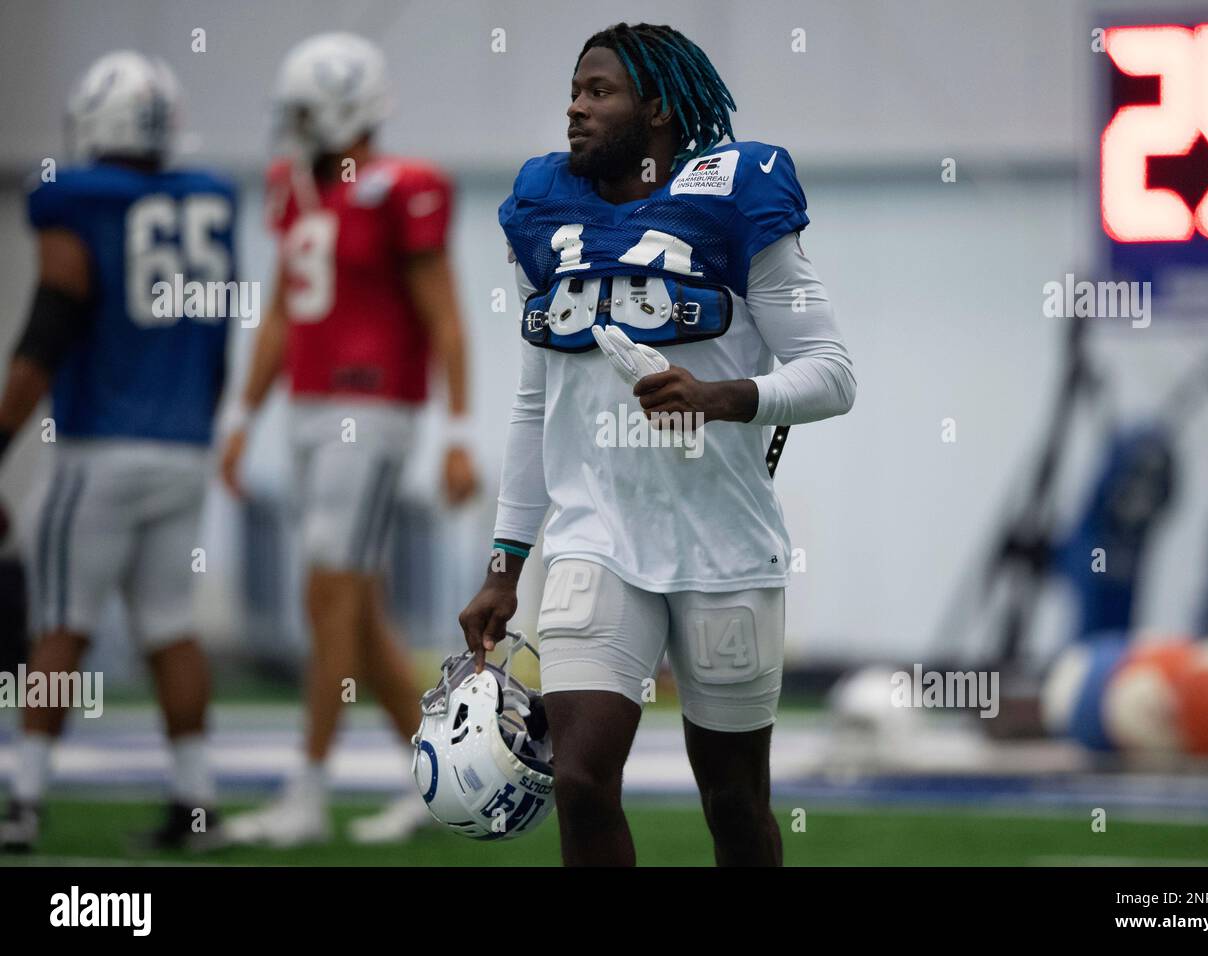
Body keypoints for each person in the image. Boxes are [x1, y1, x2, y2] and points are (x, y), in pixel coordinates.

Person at [458, 22, 856, 865]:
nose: (576, 108)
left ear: (661, 110)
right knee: (580, 777)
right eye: (573, 90)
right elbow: (534, 403)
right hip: (593, 537)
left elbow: (831, 374)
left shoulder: (735, 192)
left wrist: (724, 397)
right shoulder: (541, 207)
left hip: (723, 541)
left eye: (599, 92)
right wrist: (504, 563)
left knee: (735, 803)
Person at [221, 33, 477, 847]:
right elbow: (277, 316)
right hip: (305, 409)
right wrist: (241, 416)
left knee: (327, 593)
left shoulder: (406, 187)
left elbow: (446, 316)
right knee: (357, 609)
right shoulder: (293, 188)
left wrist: (458, 432)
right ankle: (442, 777)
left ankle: (306, 791)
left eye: (304, 109)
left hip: (372, 413)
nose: (293, 126)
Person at [0, 51, 236, 852]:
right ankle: (195, 802)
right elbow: (215, 348)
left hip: (99, 448)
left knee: (61, 621)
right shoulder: (210, 199)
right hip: (182, 450)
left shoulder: (76, 201)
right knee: (170, 626)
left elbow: (50, 327)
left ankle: (24, 801)